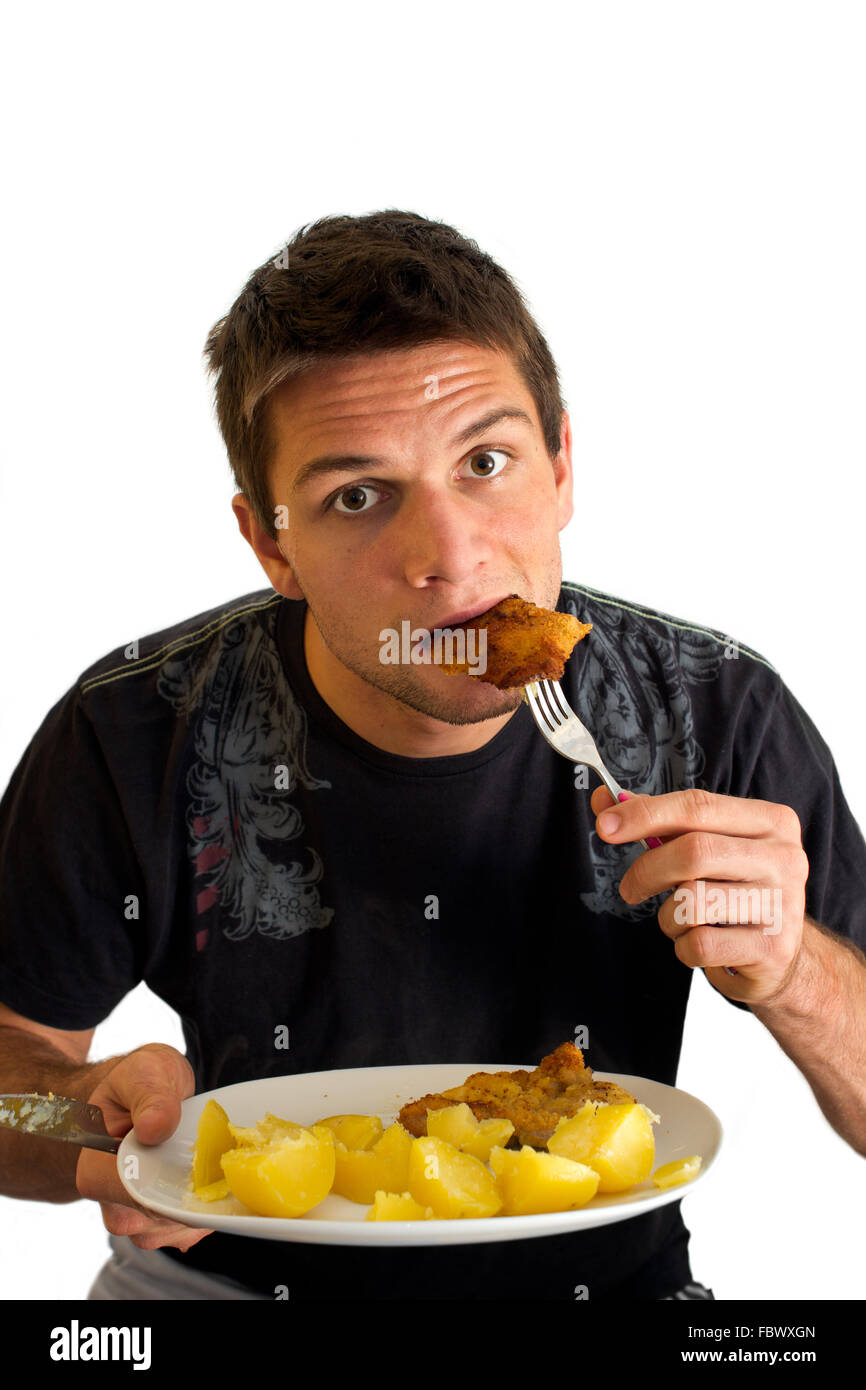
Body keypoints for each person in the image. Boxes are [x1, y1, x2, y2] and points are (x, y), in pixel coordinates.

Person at [1, 211, 865, 1303]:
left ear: (560, 467)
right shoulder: (130, 728)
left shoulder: (712, 710)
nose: (450, 558)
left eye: (487, 462)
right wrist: (88, 1113)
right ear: (271, 543)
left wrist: (797, 975)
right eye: (355, 495)